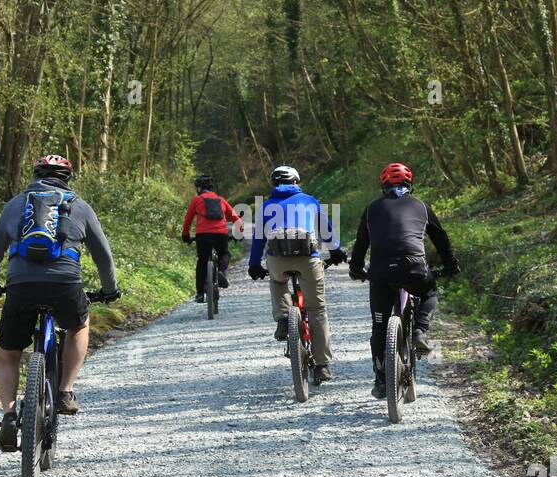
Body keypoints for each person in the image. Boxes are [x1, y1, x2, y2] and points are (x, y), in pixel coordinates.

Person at [0, 154, 120, 451]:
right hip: (65, 284)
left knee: (8, 353)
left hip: (21, 285)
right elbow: (103, 255)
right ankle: (66, 391)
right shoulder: (79, 205)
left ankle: (8, 414)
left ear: (35, 175)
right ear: (67, 179)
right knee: (78, 325)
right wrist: (109, 290)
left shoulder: (16, 204)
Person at [349, 162, 460, 399]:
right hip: (414, 270)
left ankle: (381, 380)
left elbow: (361, 243)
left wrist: (356, 269)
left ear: (383, 186)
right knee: (430, 293)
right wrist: (451, 265)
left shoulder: (371, 208)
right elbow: (441, 238)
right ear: (410, 184)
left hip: (380, 272)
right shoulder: (421, 206)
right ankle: (419, 331)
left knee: (379, 326)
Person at [247, 164, 346, 383]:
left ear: (274, 184)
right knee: (317, 309)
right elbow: (327, 231)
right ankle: (322, 366)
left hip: (278, 260)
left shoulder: (266, 205)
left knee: (277, 280)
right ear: (296, 181)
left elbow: (258, 240)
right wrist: (336, 251)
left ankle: (283, 318)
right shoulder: (310, 201)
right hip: (308, 259)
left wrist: (254, 264)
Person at [181, 174, 241, 303]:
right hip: (221, 234)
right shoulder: (221, 199)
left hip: (203, 236)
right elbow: (236, 218)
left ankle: (200, 294)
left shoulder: (197, 200)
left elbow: (188, 220)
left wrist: (185, 236)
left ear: (199, 188)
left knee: (202, 261)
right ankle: (222, 272)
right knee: (224, 253)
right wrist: (239, 233)